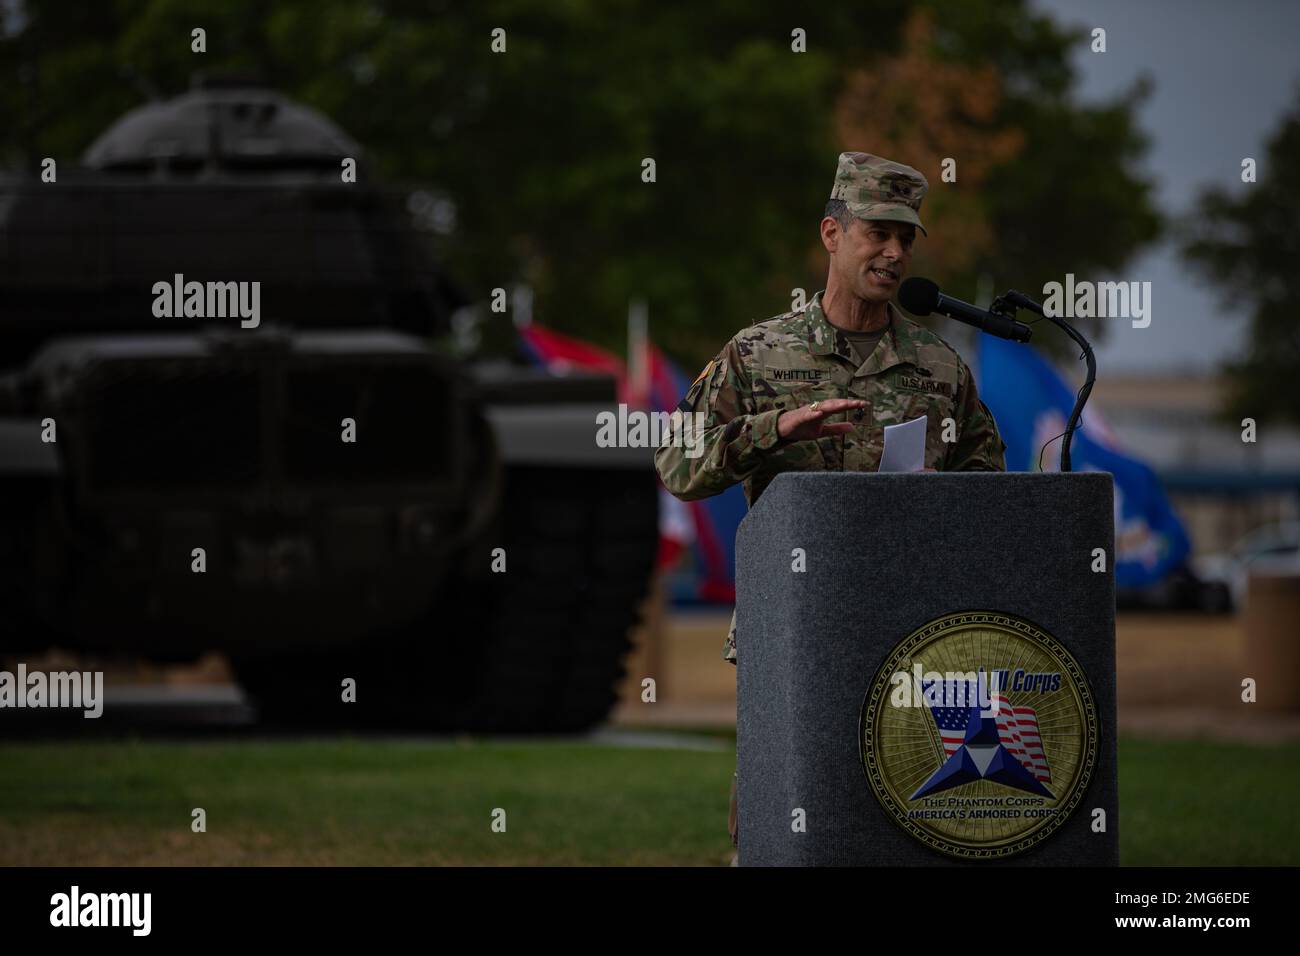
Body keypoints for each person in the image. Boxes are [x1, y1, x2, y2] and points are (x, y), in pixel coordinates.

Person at [654, 151, 1007, 854]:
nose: (895, 252)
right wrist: (770, 429)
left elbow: (989, 494)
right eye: (879, 232)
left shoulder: (940, 368)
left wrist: (947, 506)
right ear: (831, 234)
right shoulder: (757, 354)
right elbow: (676, 467)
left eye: (907, 238)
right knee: (784, 828)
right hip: (795, 631)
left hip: (917, 637)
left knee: (915, 829)